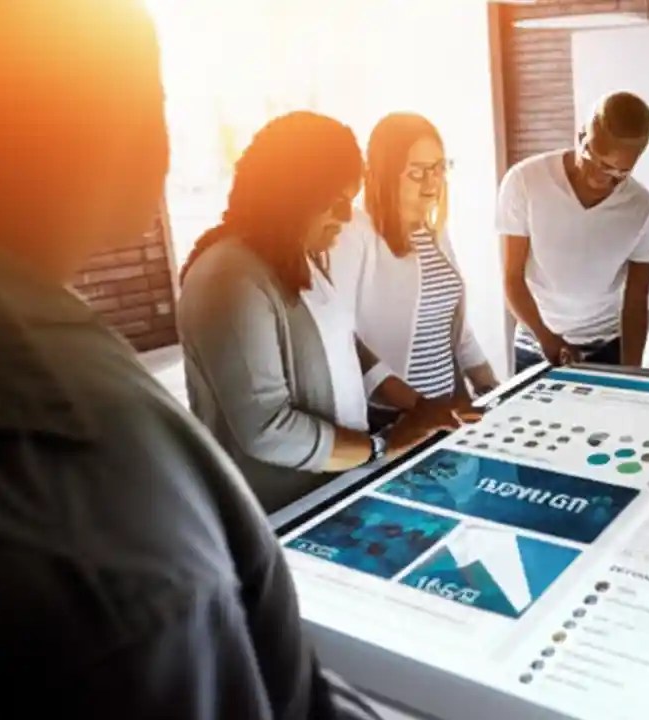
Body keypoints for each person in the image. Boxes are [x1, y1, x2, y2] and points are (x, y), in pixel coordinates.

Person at [0, 1, 380, 716]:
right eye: (153, 99)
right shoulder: (70, 424)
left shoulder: (56, 345)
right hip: (297, 503)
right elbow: (264, 430)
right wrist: (373, 448)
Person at [178, 111, 457, 514]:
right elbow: (267, 429)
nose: (345, 217)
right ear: (294, 196)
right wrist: (380, 447)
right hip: (283, 512)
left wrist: (418, 408)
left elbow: (347, 347)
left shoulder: (297, 256)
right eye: (335, 202)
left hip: (335, 487)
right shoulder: (230, 277)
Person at [330, 112, 499, 429]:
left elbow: (456, 329)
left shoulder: (434, 231)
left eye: (438, 168)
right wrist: (417, 406)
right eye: (417, 172)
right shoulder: (354, 231)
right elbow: (342, 338)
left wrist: (492, 387)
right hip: (392, 418)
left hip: (445, 408)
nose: (432, 182)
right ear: (385, 174)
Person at [499, 91, 649, 373]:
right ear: (581, 136)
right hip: (535, 342)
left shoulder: (645, 211)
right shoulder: (525, 181)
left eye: (619, 173)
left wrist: (633, 375)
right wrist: (546, 338)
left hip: (607, 349)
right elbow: (512, 278)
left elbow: (636, 303)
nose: (601, 178)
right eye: (595, 160)